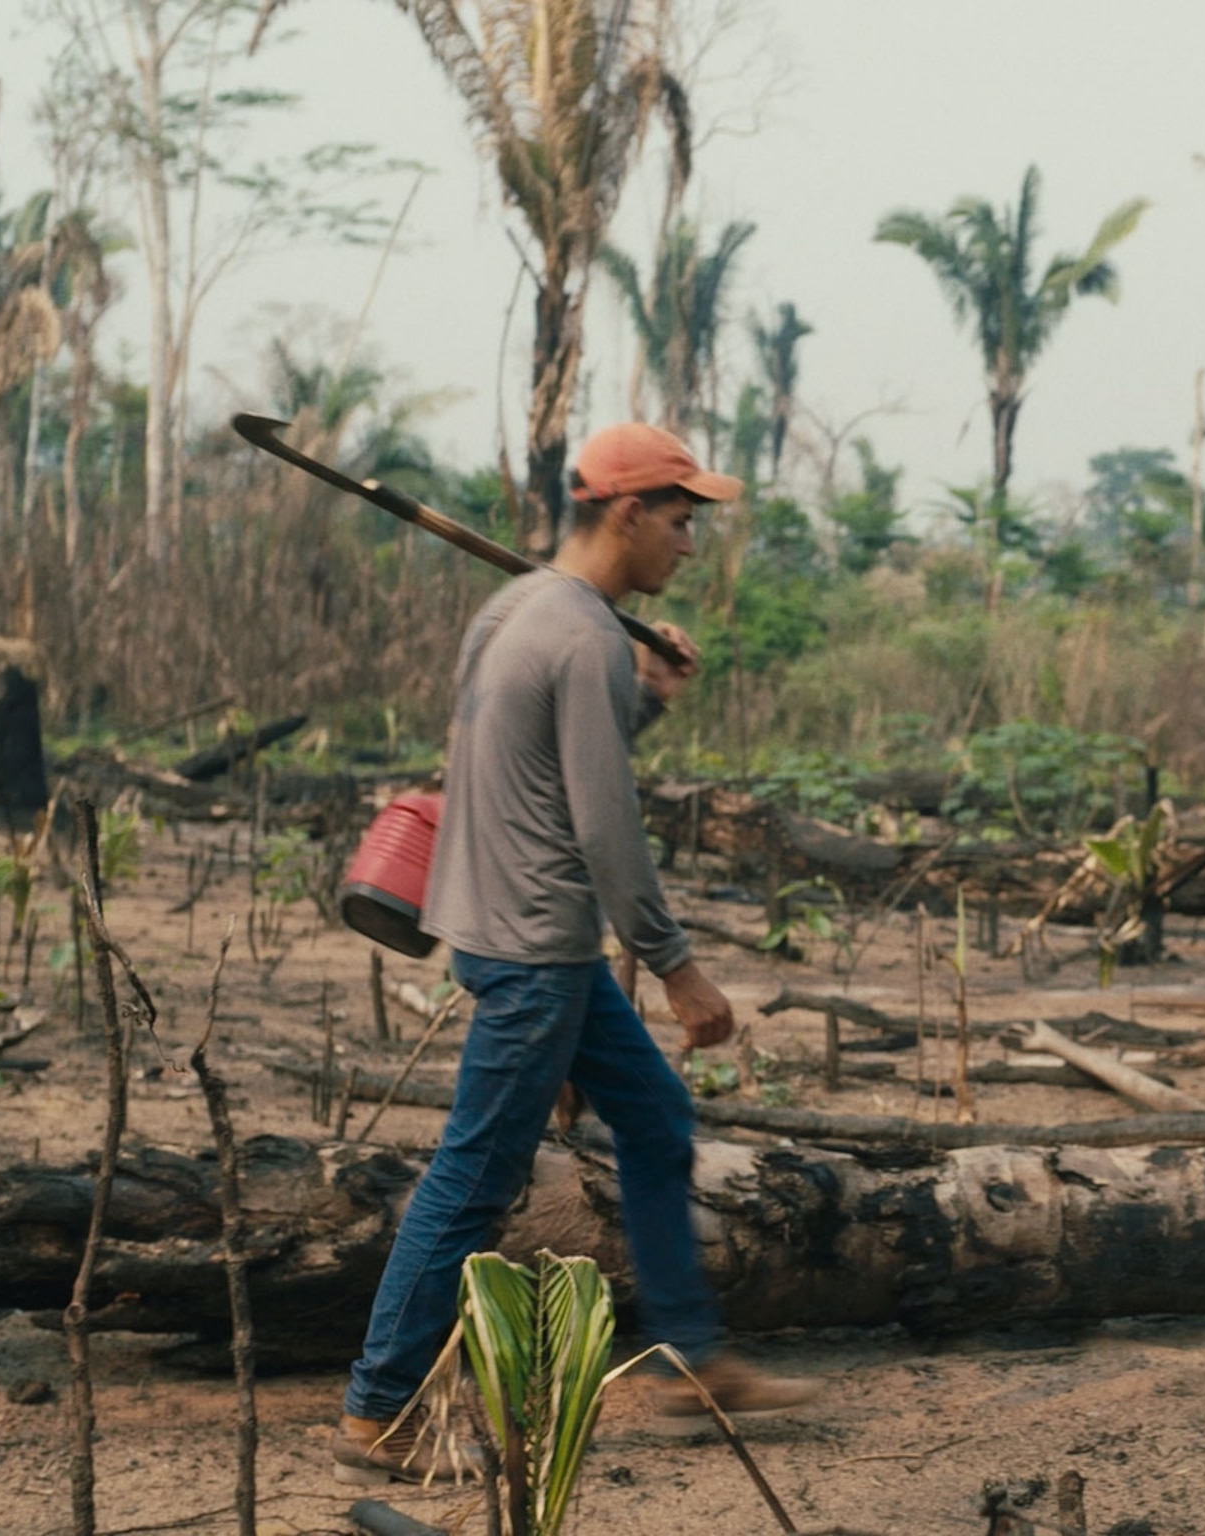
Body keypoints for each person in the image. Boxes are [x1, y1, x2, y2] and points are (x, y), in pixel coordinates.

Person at [334, 423, 815, 1485]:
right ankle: (381, 1406)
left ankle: (692, 1358)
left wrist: (644, 697)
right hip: (537, 948)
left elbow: (553, 771)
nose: (690, 546)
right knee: (476, 1176)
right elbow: (604, 828)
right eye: (683, 521)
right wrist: (678, 965)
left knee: (654, 1117)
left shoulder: (520, 613)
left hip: (505, 929)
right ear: (630, 512)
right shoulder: (583, 633)